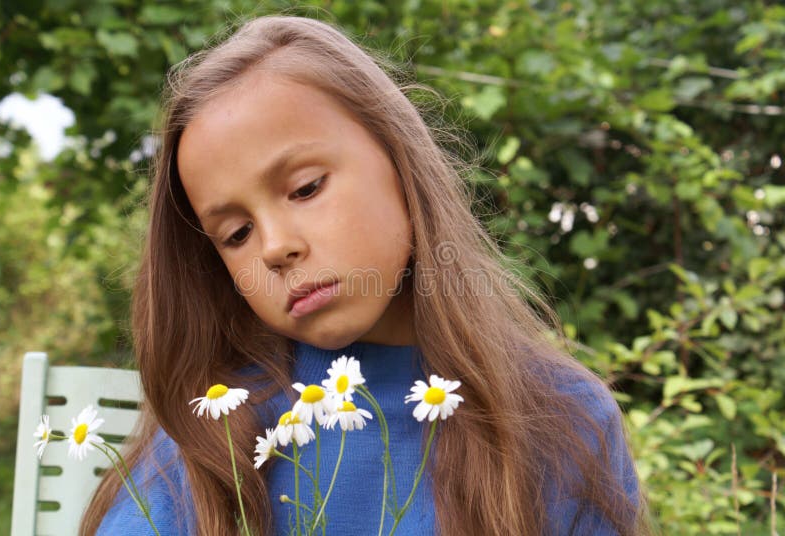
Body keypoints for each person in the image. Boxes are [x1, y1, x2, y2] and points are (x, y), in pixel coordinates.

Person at [80, 14, 652, 536]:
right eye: (236, 234)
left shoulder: (562, 418)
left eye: (305, 188)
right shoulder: (219, 433)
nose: (276, 247)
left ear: (399, 162)